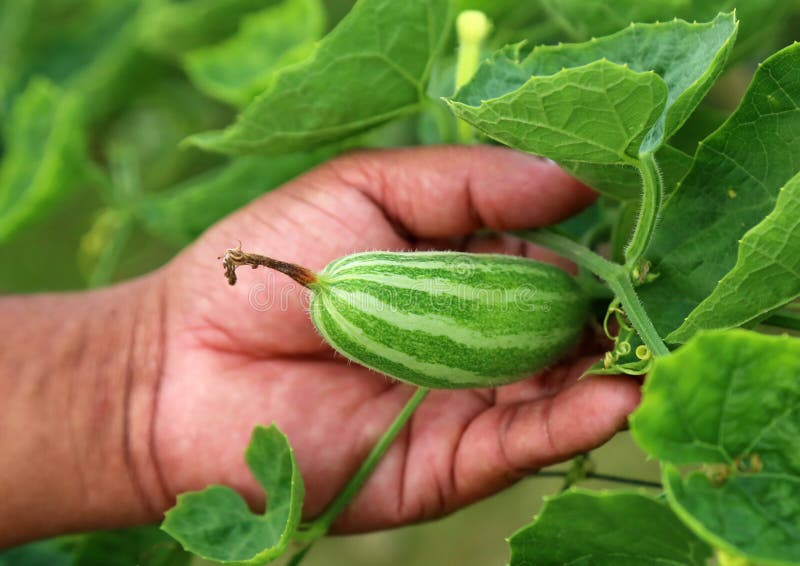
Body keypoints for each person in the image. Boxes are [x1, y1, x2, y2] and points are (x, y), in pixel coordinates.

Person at [0, 145, 641, 547]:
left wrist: (145, 376)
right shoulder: (343, 303)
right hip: (539, 317)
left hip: (540, 314)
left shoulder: (345, 302)